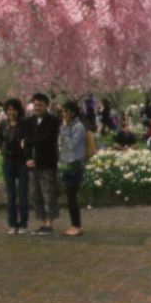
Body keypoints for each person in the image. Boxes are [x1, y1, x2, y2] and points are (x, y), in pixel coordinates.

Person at [25, 93, 62, 236]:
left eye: (40, 105)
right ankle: (42, 221)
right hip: (32, 162)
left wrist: (31, 141)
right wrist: (27, 158)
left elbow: (46, 140)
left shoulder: (53, 121)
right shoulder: (29, 121)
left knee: (48, 192)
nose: (37, 107)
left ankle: (50, 222)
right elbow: (26, 142)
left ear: (46, 105)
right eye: (35, 105)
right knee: (36, 193)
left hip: (47, 162)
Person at [0, 98, 30, 234]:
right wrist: (2, 148)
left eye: (13, 109)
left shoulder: (24, 124)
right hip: (8, 161)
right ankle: (12, 223)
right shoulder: (3, 124)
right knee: (11, 195)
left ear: (18, 110)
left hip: (21, 161)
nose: (11, 112)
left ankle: (23, 223)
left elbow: (29, 140)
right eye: (8, 109)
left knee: (22, 194)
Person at [59, 100, 91, 237]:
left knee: (72, 195)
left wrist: (64, 130)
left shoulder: (78, 127)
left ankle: (76, 225)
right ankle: (74, 224)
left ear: (72, 112)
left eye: (65, 111)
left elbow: (72, 145)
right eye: (63, 112)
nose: (64, 114)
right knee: (69, 195)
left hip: (75, 164)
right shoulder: (68, 126)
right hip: (67, 163)